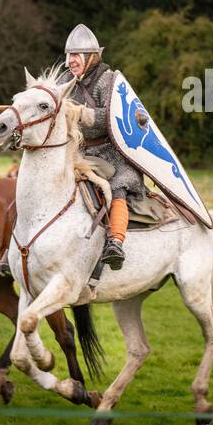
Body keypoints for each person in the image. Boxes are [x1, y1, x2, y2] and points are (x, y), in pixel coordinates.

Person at [59, 23, 148, 271]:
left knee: (118, 184)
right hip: (76, 150)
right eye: (69, 55)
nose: (71, 61)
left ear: (89, 57)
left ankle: (115, 243)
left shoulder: (107, 80)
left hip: (110, 153)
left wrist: (82, 114)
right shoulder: (65, 80)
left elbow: (115, 117)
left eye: (75, 55)